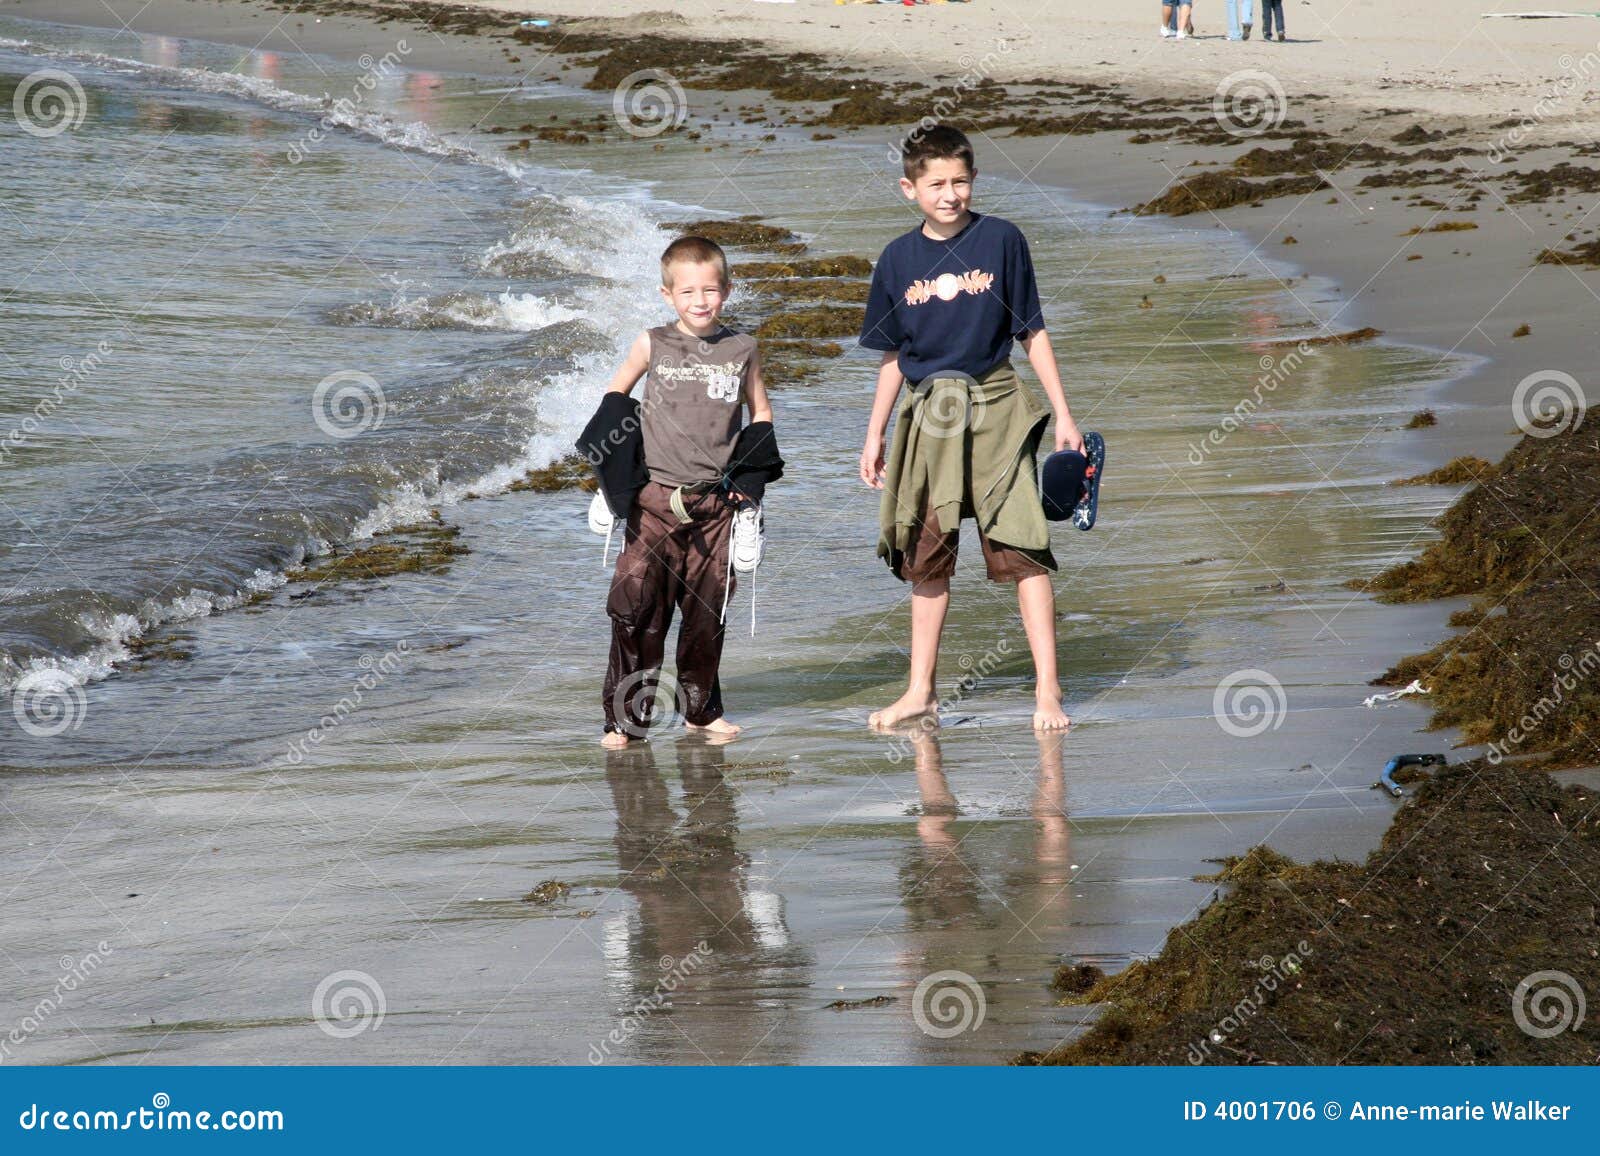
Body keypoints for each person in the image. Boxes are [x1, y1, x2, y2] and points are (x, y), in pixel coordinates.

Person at [857, 124, 1085, 734]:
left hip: (997, 406)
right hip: (927, 417)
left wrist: (1063, 414)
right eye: (936, 184)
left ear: (974, 179)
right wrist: (875, 433)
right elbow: (890, 357)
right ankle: (920, 692)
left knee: (1024, 547)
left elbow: (1032, 332)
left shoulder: (1002, 240)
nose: (950, 194)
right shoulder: (897, 259)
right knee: (925, 557)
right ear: (910, 188)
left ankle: (1048, 690)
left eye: (960, 181)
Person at [582, 235, 781, 748]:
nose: (700, 300)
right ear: (667, 294)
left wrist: (751, 488)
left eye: (710, 290)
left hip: (714, 505)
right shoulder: (652, 342)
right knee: (636, 610)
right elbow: (616, 395)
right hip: (651, 500)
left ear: (727, 291)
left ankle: (701, 711)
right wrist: (614, 474)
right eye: (688, 291)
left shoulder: (743, 348)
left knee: (705, 613)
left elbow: (760, 412)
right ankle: (625, 721)